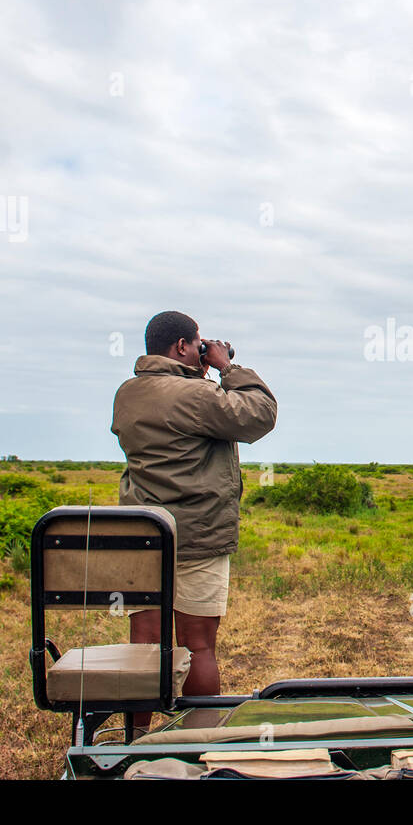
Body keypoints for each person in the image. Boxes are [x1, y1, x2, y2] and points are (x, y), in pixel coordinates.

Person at [111, 310, 277, 732]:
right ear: (183, 347)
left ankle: (135, 741)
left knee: (145, 647)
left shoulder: (127, 393)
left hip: (143, 536)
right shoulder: (195, 395)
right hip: (196, 538)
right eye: (198, 343)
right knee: (199, 646)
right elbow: (259, 415)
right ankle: (198, 739)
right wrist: (227, 367)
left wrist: (199, 373)